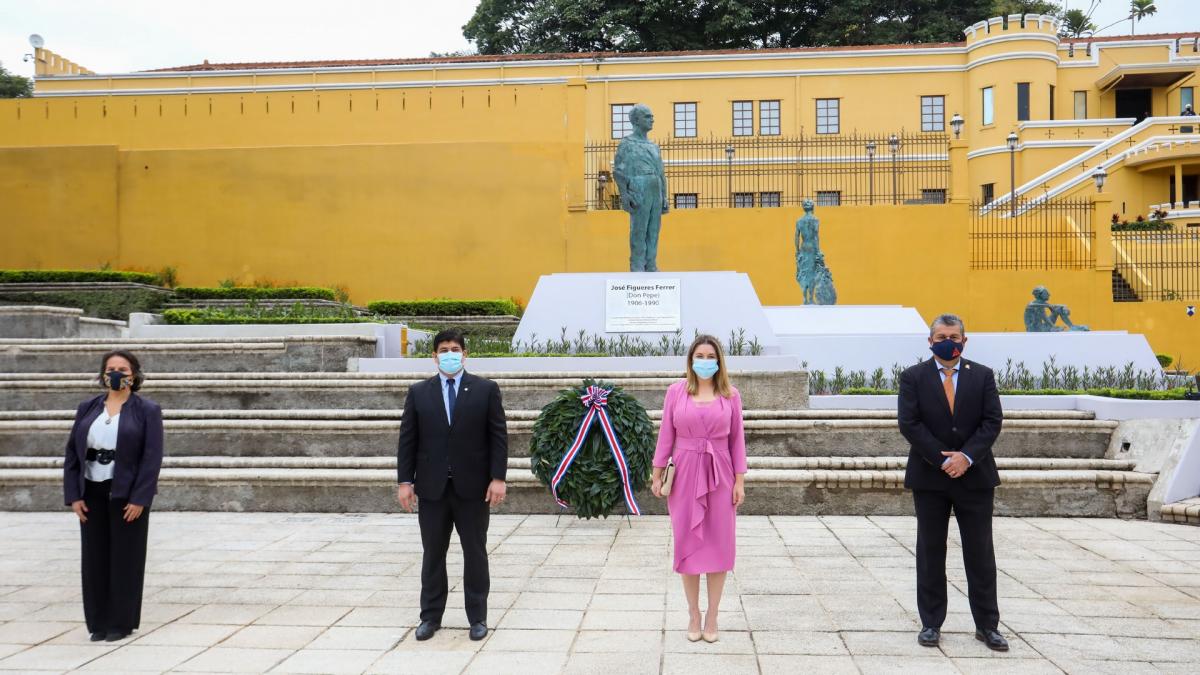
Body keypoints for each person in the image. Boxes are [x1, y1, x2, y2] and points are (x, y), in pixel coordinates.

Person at [897, 315, 1008, 652]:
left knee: (980, 553)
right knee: (931, 551)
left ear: (965, 340)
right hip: (931, 477)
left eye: (955, 336)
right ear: (930, 341)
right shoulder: (913, 377)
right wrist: (942, 458)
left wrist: (966, 457)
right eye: (942, 336)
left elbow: (992, 421)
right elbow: (909, 423)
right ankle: (931, 623)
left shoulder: (983, 376)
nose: (949, 341)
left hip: (975, 478)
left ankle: (987, 625)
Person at [397, 329, 508, 642]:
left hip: (473, 488)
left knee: (475, 553)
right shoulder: (419, 392)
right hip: (432, 489)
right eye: (443, 349)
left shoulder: (486, 390)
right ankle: (430, 617)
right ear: (434, 356)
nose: (449, 354)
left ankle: (478, 618)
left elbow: (498, 437)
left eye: (455, 348)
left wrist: (498, 477)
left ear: (465, 354)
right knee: (433, 554)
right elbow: (408, 440)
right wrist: (405, 481)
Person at [651, 335, 747, 643]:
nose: (705, 360)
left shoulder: (731, 395)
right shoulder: (675, 392)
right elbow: (666, 434)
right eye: (700, 355)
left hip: (720, 474)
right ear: (691, 360)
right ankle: (693, 613)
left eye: (710, 355)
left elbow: (737, 442)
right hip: (684, 472)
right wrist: (657, 473)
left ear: (719, 361)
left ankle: (713, 615)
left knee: (720, 545)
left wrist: (740, 481)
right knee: (687, 542)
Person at [63, 350, 163, 643]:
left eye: (122, 368)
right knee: (94, 558)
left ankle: (121, 622)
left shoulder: (146, 410)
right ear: (103, 374)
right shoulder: (87, 408)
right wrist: (74, 495)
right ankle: (98, 622)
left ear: (134, 374)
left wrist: (140, 498)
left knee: (125, 558)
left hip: (126, 494)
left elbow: (151, 458)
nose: (116, 373)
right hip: (91, 491)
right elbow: (72, 454)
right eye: (111, 368)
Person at [613, 103, 669, 272]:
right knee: (639, 229)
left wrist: (664, 196)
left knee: (653, 230)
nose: (652, 119)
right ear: (636, 120)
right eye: (647, 116)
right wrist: (624, 194)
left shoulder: (654, 146)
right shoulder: (626, 143)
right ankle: (637, 265)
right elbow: (618, 171)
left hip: (655, 187)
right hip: (638, 186)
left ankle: (651, 264)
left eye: (652, 116)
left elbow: (661, 172)